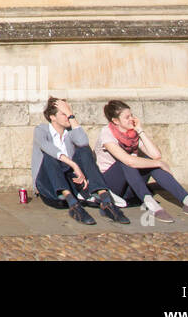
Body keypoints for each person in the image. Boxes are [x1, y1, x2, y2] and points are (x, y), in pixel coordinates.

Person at [96, 100, 188, 220]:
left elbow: (156, 155)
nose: (132, 119)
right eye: (127, 117)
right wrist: (159, 163)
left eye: (132, 115)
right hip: (112, 187)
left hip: (131, 187)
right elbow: (129, 161)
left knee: (149, 162)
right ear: (115, 121)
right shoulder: (106, 134)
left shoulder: (132, 134)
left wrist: (140, 130)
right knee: (128, 162)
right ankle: (152, 205)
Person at [31, 96, 129, 225]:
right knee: (50, 157)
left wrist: (71, 116)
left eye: (69, 113)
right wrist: (74, 165)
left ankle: (106, 202)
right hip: (50, 187)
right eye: (63, 113)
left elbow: (83, 142)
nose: (68, 116)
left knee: (84, 150)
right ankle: (74, 207)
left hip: (70, 182)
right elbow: (48, 148)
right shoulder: (41, 130)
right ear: (52, 117)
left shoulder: (70, 132)